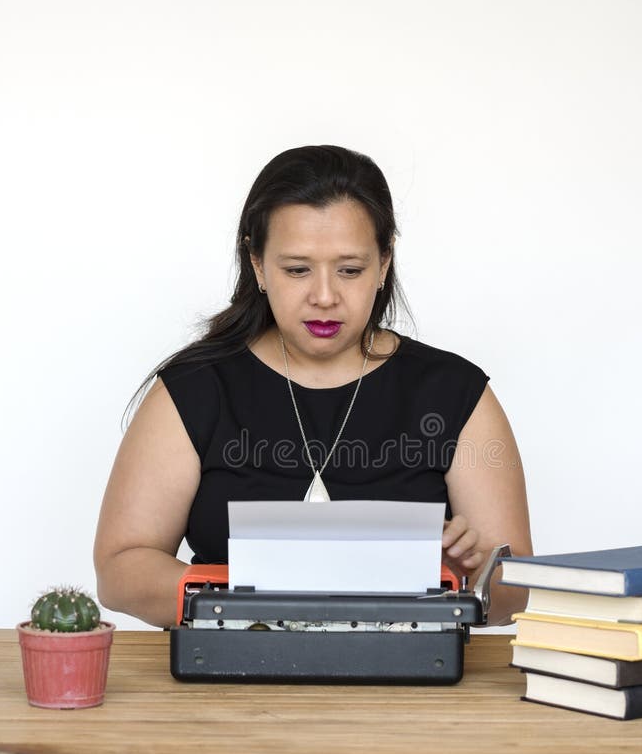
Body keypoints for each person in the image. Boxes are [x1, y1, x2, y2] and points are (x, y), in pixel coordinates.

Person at [93, 145, 532, 628]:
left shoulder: (457, 393)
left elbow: (516, 586)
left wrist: (468, 581)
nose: (324, 297)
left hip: (409, 686)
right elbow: (120, 569)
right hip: (229, 680)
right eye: (297, 269)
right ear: (258, 265)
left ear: (384, 263)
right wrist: (244, 596)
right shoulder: (193, 390)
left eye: (350, 270)